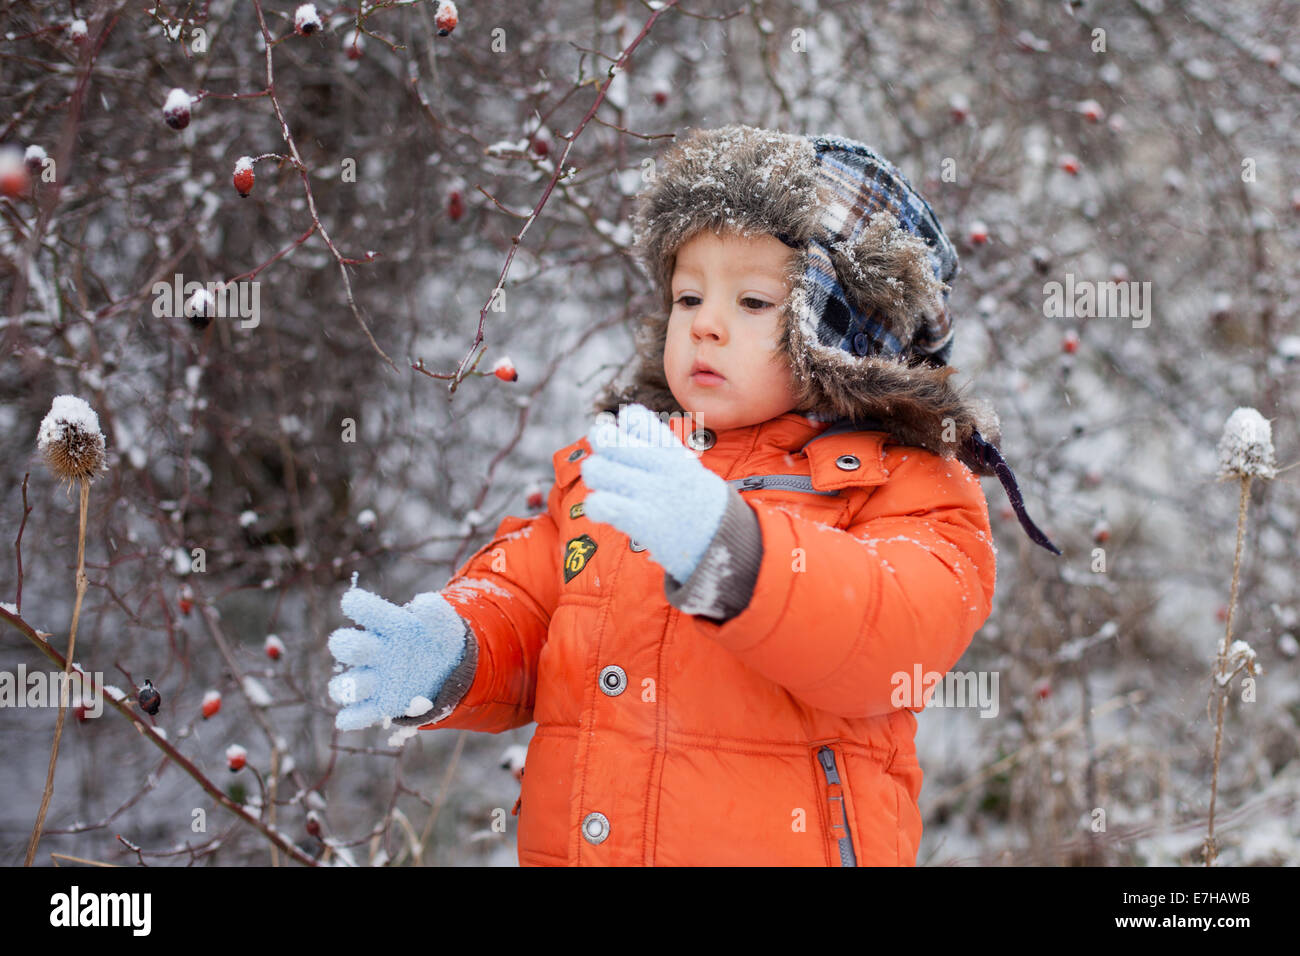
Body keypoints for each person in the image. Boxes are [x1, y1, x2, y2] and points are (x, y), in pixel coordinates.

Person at [327, 124, 1060, 866]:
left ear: (840, 329)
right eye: (688, 296)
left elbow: (886, 631)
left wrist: (728, 550)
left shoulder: (907, 485)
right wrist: (457, 650)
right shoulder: (622, 465)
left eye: (751, 301)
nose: (705, 324)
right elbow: (537, 604)